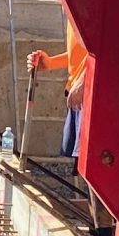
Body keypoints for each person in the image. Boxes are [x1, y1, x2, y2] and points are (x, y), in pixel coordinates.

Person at [27, 20, 90, 159]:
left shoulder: (93, 5)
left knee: (92, 164)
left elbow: (107, 47)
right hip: (76, 94)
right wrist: (50, 63)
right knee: (79, 162)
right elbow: (78, 55)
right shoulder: (73, 12)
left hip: (90, 93)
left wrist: (85, 80)